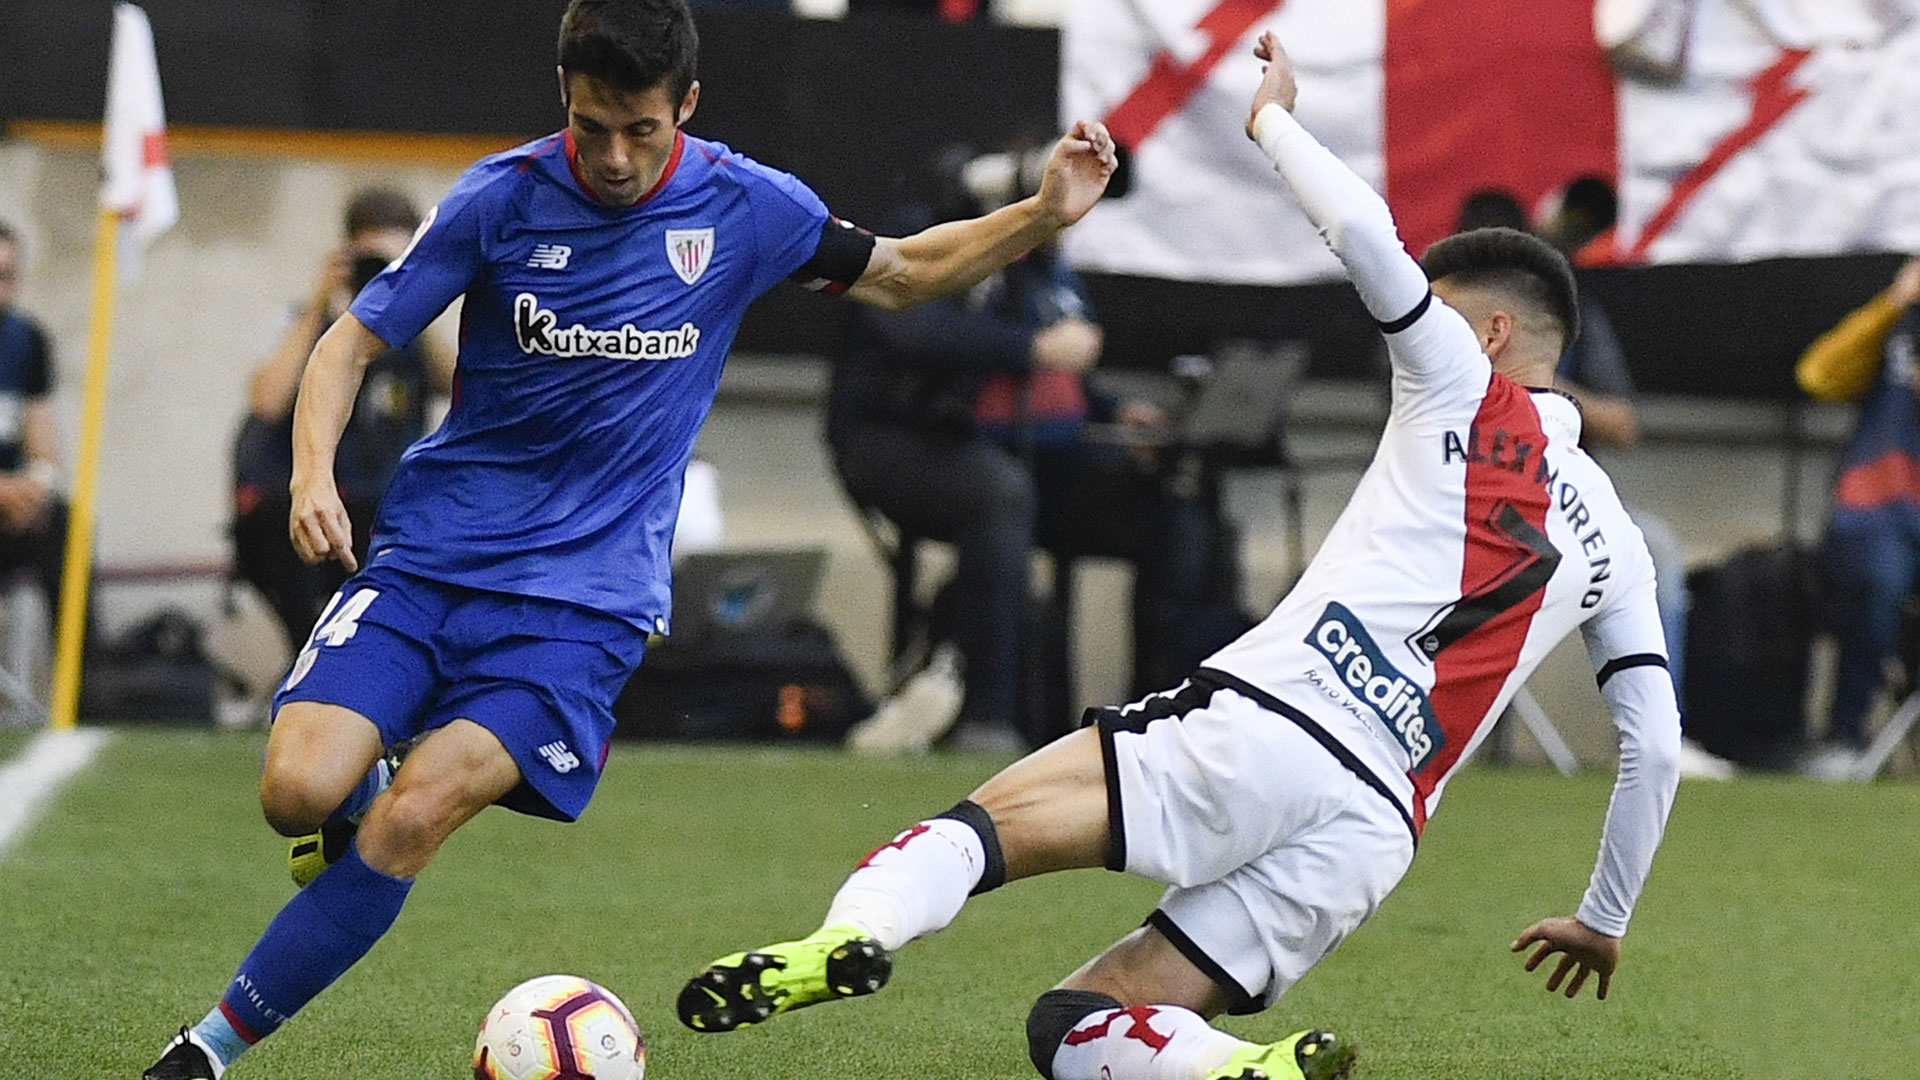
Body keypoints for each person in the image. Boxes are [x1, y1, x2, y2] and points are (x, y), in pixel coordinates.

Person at [677, 33, 1682, 1080]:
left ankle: (858, 935)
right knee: (1075, 1021)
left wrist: (1273, 120)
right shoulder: (1618, 541)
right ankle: (1234, 1069)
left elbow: (1360, 231)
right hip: (1376, 831)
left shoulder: (1460, 384)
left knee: (983, 828)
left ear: (1488, 334)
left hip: (1273, 723)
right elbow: (1652, 745)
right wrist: (1603, 916)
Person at [141, 0, 1117, 1075]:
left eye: (639, 131)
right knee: (296, 791)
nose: (611, 155)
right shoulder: (500, 198)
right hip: (429, 560)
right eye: (588, 125)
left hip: (585, 602)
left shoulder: (745, 206)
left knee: (418, 811)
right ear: (563, 95)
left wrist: (1039, 214)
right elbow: (348, 344)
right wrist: (311, 473)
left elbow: (906, 270)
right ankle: (353, 789)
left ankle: (205, 1050)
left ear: (685, 105)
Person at [832, 154, 1232, 753]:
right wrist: (1030, 346)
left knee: (1175, 518)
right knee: (999, 494)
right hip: (908, 439)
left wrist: (1107, 409)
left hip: (1037, 452)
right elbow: (913, 329)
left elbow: (1053, 371)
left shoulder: (1045, 268)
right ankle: (989, 719)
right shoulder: (935, 229)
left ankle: (1173, 718)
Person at [232, 188, 455, 656]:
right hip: (306, 503)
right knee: (279, 526)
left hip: (385, 505)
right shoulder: (304, 319)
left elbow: (461, 387)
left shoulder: (413, 336)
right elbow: (265, 400)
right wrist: (321, 306)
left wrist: (418, 295)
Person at [1795, 255, 1920, 777]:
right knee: (1876, 581)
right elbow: (1818, 375)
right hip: (1881, 514)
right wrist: (1893, 302)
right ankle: (1846, 738)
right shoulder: (1897, 326)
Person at [0, 222, 78, 648]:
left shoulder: (26, 341)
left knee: (68, 524)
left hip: (8, 516)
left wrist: (36, 487)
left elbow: (43, 446)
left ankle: (86, 684)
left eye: (7, 276)